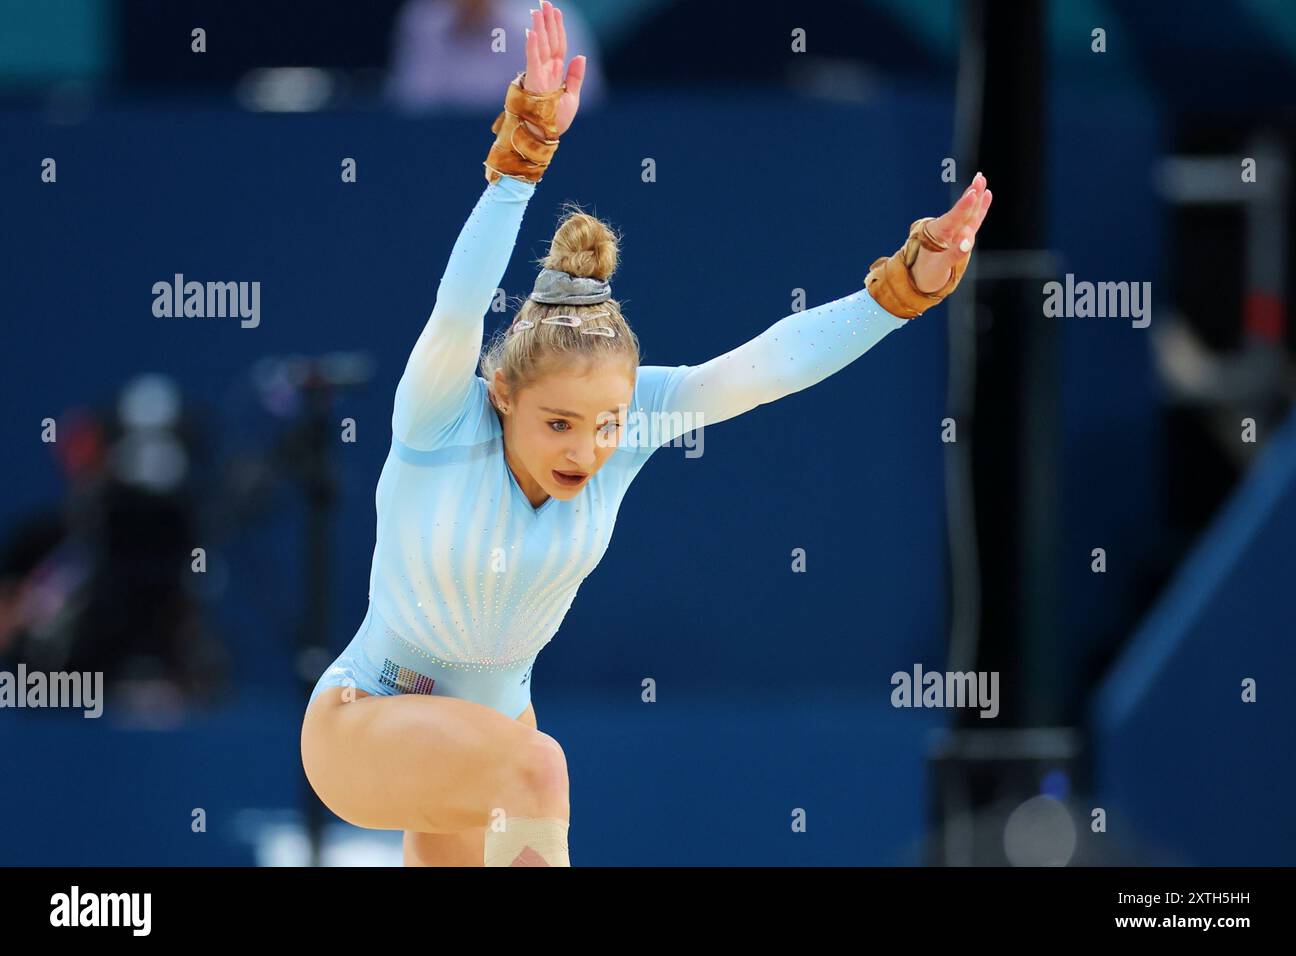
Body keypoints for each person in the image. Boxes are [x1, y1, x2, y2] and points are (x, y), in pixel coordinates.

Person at [300, 0, 992, 867]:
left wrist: (899, 294)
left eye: (604, 425)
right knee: (540, 768)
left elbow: (766, 367)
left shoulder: (625, 435)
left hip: (485, 733)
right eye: (558, 423)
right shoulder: (441, 416)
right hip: (364, 721)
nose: (586, 449)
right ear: (502, 391)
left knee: (522, 767)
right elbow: (458, 305)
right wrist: (521, 161)